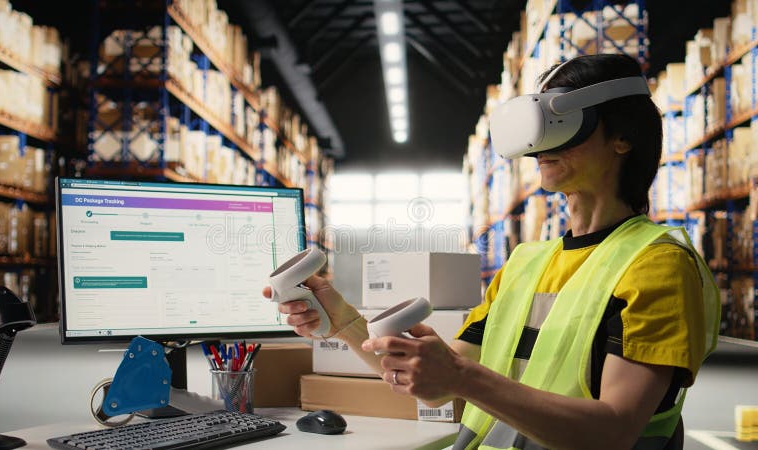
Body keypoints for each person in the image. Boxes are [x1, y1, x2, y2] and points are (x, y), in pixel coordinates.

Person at [264, 53, 720, 450]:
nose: (540, 147)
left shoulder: (658, 265)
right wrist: (342, 320)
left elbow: (614, 433)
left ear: (622, 138)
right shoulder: (527, 262)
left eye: (562, 125)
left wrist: (462, 378)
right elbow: (438, 389)